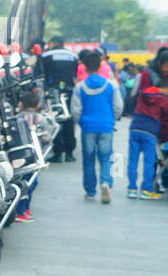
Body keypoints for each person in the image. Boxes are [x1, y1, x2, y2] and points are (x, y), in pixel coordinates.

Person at [71, 48, 123, 203]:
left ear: (85, 67)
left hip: (88, 127)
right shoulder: (111, 85)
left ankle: (90, 190)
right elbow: (118, 106)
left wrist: (80, 122)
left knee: (88, 159)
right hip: (106, 126)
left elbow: (76, 109)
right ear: (100, 66)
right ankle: (106, 183)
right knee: (106, 157)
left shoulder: (80, 87)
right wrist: (112, 119)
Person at [14, 88, 57, 222]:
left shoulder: (16, 118)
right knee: (31, 182)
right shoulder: (40, 118)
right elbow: (47, 136)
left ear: (21, 104)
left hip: (18, 156)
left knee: (22, 182)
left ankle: (22, 209)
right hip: (34, 156)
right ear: (38, 105)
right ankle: (22, 210)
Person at [126, 65, 168, 200]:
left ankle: (131, 189)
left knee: (133, 160)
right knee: (149, 161)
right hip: (150, 131)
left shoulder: (144, 93)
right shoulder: (163, 98)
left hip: (135, 127)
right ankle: (146, 190)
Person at [43, 36, 79, 161]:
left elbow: (43, 75)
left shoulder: (46, 56)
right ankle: (69, 152)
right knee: (69, 120)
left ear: (52, 43)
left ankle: (58, 152)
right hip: (70, 91)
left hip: (54, 92)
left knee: (56, 121)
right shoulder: (73, 56)